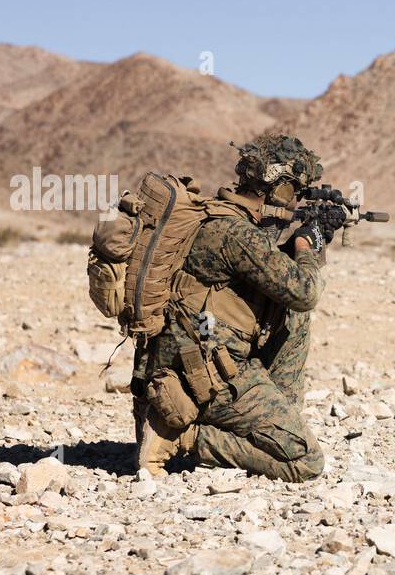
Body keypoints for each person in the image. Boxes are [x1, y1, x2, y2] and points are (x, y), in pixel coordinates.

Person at [134, 133, 334, 481]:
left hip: (179, 367)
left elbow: (275, 282)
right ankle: (182, 437)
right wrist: (305, 245)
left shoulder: (219, 219)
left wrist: (311, 245)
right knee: (304, 462)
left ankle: (272, 421)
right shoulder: (238, 234)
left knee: (291, 312)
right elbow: (304, 290)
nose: (294, 203)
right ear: (281, 188)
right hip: (206, 377)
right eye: (295, 193)